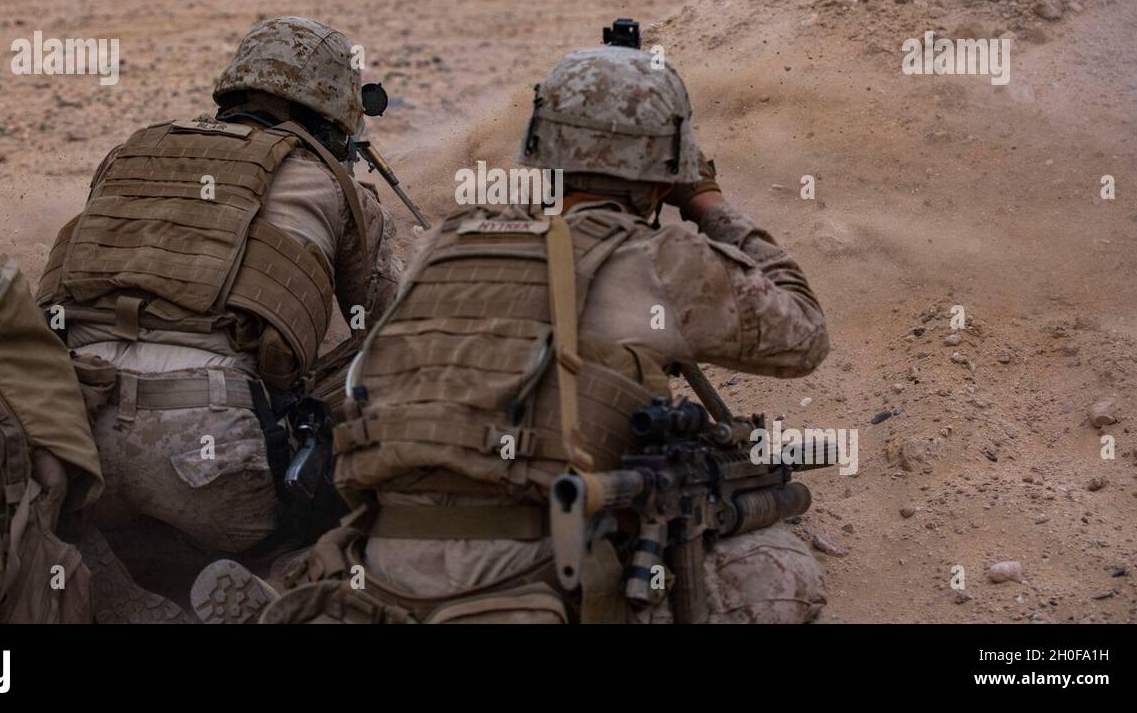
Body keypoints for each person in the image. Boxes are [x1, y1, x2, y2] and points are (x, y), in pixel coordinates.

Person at [203, 41, 830, 624]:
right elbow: (803, 331)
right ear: (670, 165)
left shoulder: (453, 241)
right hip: (528, 580)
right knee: (778, 572)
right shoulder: (662, 262)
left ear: (541, 147)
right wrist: (707, 201)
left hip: (384, 557)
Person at [37, 16, 400, 621]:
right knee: (345, 462)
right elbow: (393, 333)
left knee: (106, 514)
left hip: (76, 441)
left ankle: (117, 590)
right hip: (207, 455)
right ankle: (282, 584)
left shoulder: (130, 153)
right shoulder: (337, 185)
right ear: (337, 111)